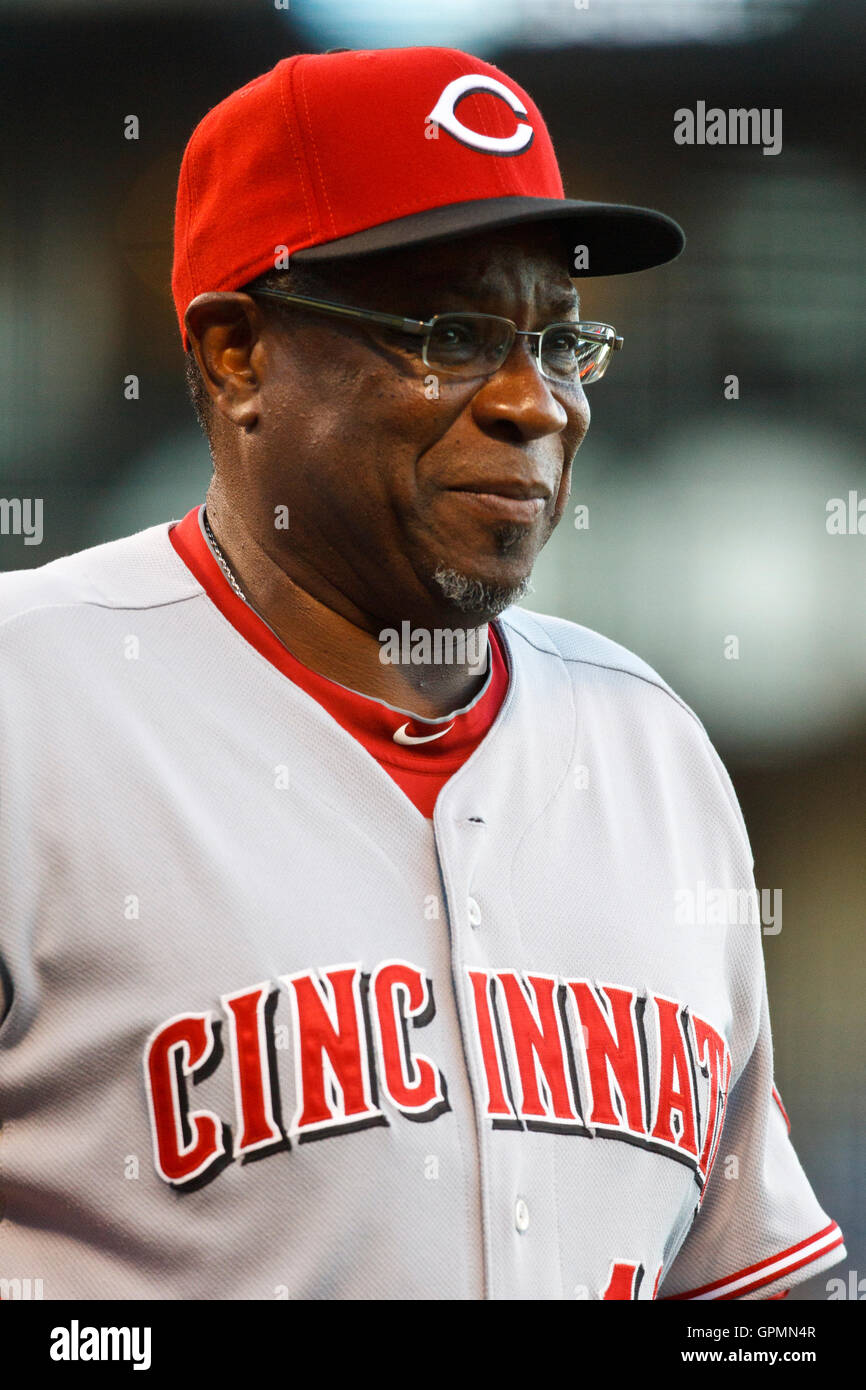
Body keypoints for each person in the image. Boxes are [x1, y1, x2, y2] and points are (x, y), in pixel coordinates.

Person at [0, 46, 844, 1301]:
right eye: (452, 333)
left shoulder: (648, 744)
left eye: (561, 342)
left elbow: (755, 1285)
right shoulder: (34, 698)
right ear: (238, 354)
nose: (536, 403)